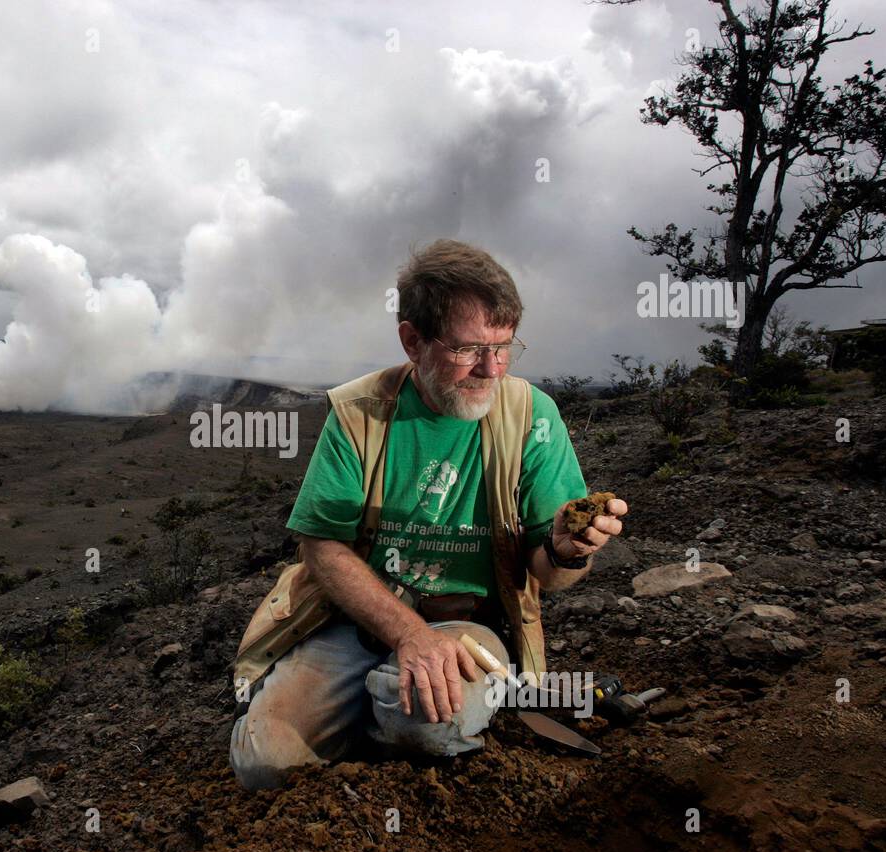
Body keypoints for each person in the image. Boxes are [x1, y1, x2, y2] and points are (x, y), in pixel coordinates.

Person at [229, 240, 628, 791]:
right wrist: (410, 635)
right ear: (412, 340)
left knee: (431, 727)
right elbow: (322, 548)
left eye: (504, 347)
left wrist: (565, 548)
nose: (490, 369)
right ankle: (377, 706)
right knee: (264, 762)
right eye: (468, 349)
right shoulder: (359, 413)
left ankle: (387, 721)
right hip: (359, 620)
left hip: (468, 626)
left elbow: (548, 576)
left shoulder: (533, 417)